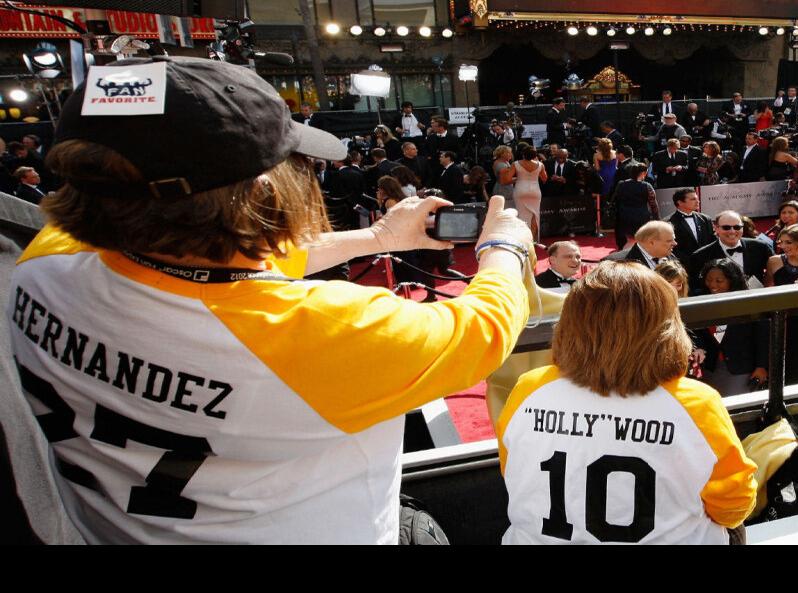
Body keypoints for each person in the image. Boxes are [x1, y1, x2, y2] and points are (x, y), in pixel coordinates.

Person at [10, 55, 534, 544]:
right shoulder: (321, 330)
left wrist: (378, 238)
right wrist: (504, 246)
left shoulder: (41, 264)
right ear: (264, 193)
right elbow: (484, 327)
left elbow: (198, 256)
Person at [495, 262, 757, 544]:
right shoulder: (695, 402)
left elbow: (512, 472)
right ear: (667, 328)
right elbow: (733, 504)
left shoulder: (531, 388)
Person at [694, 259, 770, 396]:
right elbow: (695, 332)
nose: (713, 285)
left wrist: (761, 366)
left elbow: (762, 338)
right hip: (710, 368)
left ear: (732, 280)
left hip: (740, 368)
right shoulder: (699, 300)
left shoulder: (750, 303)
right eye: (709, 280)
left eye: (719, 281)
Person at [688, 210, 773, 292]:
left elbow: (775, 269)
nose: (732, 231)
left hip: (755, 298)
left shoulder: (760, 247)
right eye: (726, 228)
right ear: (716, 228)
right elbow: (695, 287)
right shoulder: (700, 256)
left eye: (737, 227)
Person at [611, 162, 658, 251]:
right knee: (639, 242)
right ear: (643, 173)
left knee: (628, 241)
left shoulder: (621, 184)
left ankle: (624, 257)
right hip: (641, 217)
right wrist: (657, 219)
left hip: (624, 217)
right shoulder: (647, 186)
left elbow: (615, 199)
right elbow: (653, 205)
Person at [665, 188, 714, 271]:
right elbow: (670, 248)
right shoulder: (668, 222)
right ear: (680, 202)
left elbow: (712, 240)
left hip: (707, 266)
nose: (698, 201)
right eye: (693, 199)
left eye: (697, 199)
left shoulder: (705, 219)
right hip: (684, 267)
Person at [513, 144, 547, 241]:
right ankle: (533, 240)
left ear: (523, 154)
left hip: (520, 190)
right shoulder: (540, 164)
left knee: (521, 215)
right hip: (535, 191)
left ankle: (523, 240)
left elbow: (507, 178)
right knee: (535, 216)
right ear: (535, 155)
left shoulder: (516, 164)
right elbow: (544, 179)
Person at [492, 145, 516, 209]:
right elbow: (504, 181)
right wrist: (519, 179)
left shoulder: (503, 162)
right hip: (504, 191)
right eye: (508, 152)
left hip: (502, 188)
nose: (510, 154)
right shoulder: (502, 165)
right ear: (502, 154)